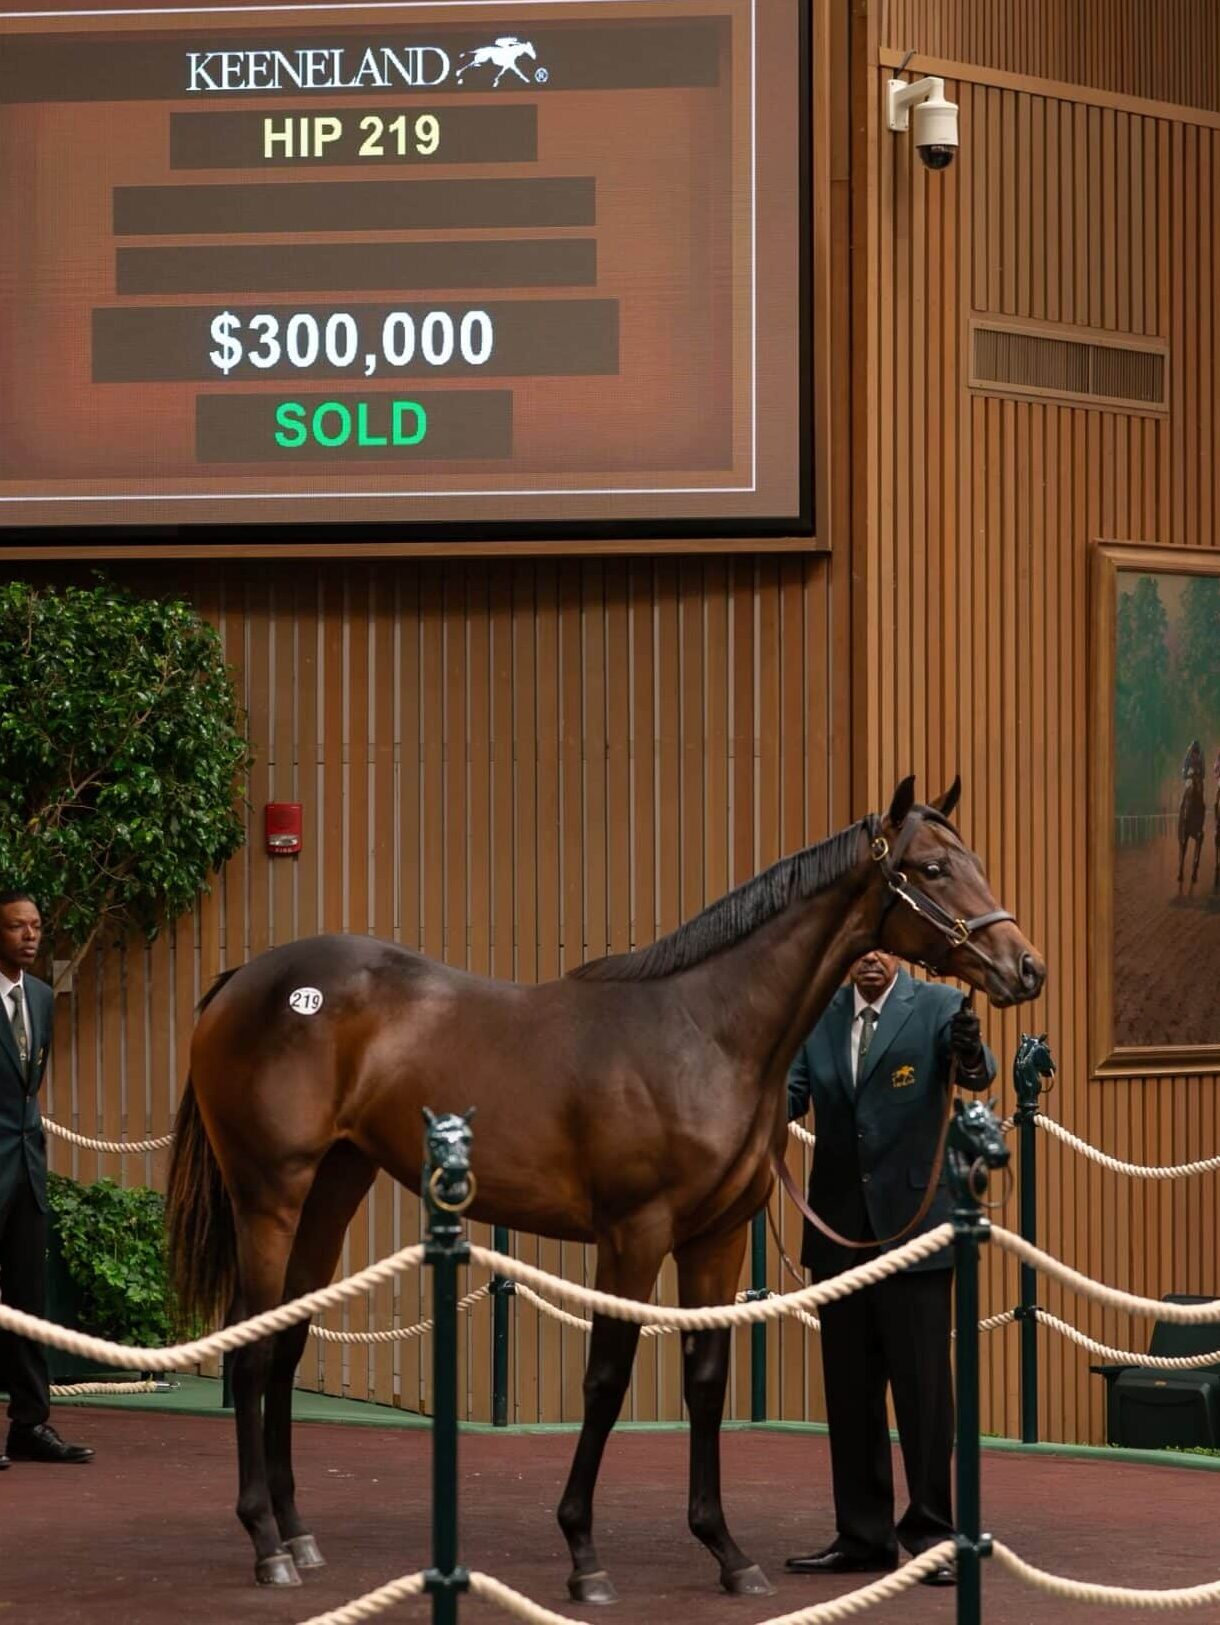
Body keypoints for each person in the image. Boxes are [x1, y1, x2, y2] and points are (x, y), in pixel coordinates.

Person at [784, 950, 995, 1589]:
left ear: (900, 950)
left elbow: (976, 1075)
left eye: (882, 947)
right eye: (859, 949)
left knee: (925, 1396)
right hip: (839, 1237)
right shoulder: (817, 1017)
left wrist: (972, 1048)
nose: (870, 958)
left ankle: (933, 1535)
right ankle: (863, 1536)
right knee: (849, 1395)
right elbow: (788, 1098)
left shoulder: (936, 1006)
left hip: (916, 1233)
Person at [0, 890, 93, 1467]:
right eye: (16, 928)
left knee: (29, 1302)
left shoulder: (39, 996)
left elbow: (29, 1086)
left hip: (27, 1170)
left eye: (35, 927)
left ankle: (29, 1425)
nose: (30, 936)